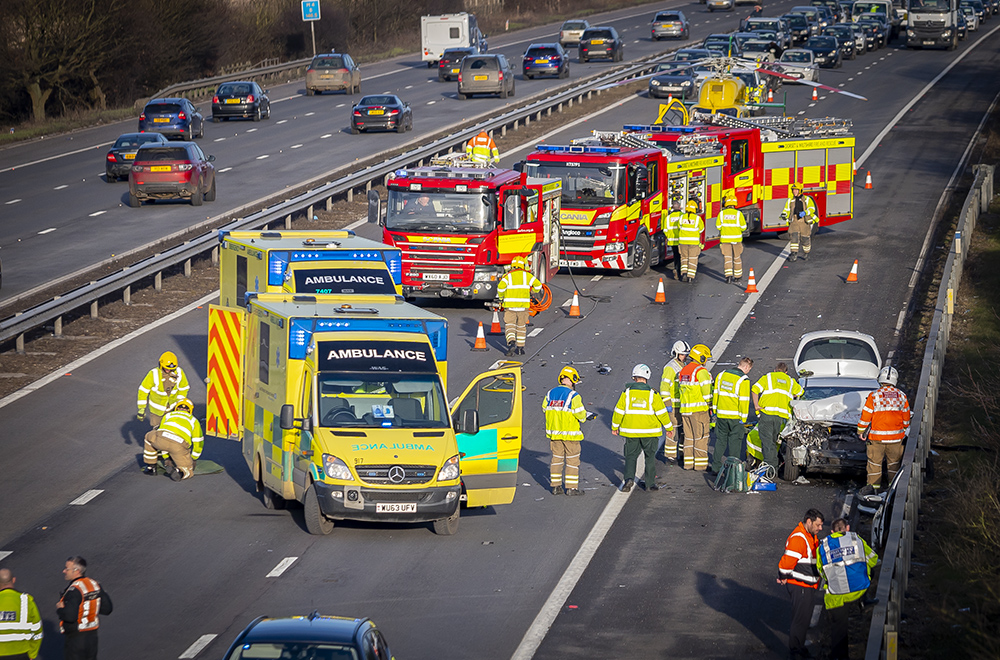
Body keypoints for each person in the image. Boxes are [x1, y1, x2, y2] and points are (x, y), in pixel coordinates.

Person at [817, 518, 879, 660]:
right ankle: (863, 602)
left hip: (836, 594)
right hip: (858, 589)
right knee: (869, 571)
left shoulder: (823, 546)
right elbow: (873, 559)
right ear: (847, 528)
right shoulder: (855, 539)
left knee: (839, 627)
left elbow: (821, 571)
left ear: (832, 532)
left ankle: (839, 657)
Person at [612, 364, 673, 492]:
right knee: (649, 457)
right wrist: (669, 428)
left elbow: (618, 411)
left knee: (630, 456)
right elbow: (662, 413)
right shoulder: (653, 394)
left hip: (631, 432)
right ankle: (650, 484)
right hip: (650, 433)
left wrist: (615, 426)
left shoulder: (627, 393)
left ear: (634, 377)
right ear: (647, 377)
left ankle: (628, 480)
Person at [857, 366, 911, 498]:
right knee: (894, 465)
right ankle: (892, 493)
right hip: (896, 439)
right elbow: (906, 417)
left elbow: (866, 416)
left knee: (874, 465)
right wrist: (903, 430)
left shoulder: (874, 396)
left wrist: (861, 431)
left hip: (876, 439)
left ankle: (873, 492)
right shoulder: (902, 396)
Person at [778, 509, 824, 660]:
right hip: (801, 585)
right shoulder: (799, 538)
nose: (820, 528)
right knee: (800, 619)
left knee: (804, 619)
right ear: (809, 522)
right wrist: (783, 575)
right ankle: (796, 651)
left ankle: (799, 647)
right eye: (818, 525)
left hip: (806, 586)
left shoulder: (809, 535)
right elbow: (785, 564)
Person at [544, 366, 596, 496]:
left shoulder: (550, 393)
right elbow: (580, 414)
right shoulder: (574, 395)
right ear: (572, 379)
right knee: (572, 461)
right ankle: (571, 488)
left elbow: (545, 408)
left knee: (556, 459)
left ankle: (556, 487)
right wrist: (586, 416)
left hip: (555, 435)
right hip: (570, 435)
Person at [751, 362, 803, 473]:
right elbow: (800, 392)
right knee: (774, 442)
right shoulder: (790, 381)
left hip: (767, 415)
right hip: (782, 418)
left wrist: (756, 406)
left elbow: (755, 389)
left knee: (767, 443)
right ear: (786, 372)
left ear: (775, 370)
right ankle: (773, 466)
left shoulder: (769, 377)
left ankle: (771, 470)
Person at [57, 557, 112, 660]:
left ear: (76, 571)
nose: (64, 571)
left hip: (76, 638)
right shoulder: (94, 584)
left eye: (67, 569)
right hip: (92, 637)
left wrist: (60, 609)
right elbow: (107, 609)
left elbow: (70, 616)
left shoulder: (74, 589)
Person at [142, 398, 204, 480]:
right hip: (178, 445)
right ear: (190, 410)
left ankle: (151, 467)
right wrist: (193, 458)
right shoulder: (193, 420)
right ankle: (180, 472)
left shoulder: (168, 415)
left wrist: (166, 457)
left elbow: (164, 436)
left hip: (161, 439)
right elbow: (198, 442)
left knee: (149, 437)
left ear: (176, 408)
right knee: (188, 471)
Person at [711, 356, 753, 474]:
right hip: (735, 417)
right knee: (735, 443)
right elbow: (744, 400)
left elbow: (716, 393)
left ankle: (715, 467)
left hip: (721, 415)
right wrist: (743, 419)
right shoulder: (743, 379)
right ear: (746, 367)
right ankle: (733, 469)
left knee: (720, 441)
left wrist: (715, 411)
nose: (748, 372)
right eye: (749, 369)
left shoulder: (722, 375)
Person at [496, 256, 542, 357]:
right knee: (521, 327)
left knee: (510, 326)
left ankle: (511, 341)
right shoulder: (527, 276)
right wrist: (532, 292)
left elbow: (500, 287)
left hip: (510, 306)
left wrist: (501, 297)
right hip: (523, 307)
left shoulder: (508, 276)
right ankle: (520, 348)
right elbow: (538, 285)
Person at [678, 344, 713, 471]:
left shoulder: (683, 371)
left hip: (685, 411)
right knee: (701, 437)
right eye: (706, 358)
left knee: (689, 437)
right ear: (701, 357)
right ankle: (700, 465)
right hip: (699, 411)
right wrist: (711, 404)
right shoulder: (701, 372)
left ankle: (688, 463)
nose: (707, 361)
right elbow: (707, 393)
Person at [136, 351, 190, 428]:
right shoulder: (153, 374)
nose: (168, 370)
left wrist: (179, 403)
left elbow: (184, 388)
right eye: (166, 368)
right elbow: (143, 390)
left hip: (172, 409)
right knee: (157, 432)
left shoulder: (179, 373)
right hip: (157, 412)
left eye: (171, 369)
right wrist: (141, 408)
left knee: (172, 430)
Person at [658, 340, 690, 462]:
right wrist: (667, 404)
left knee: (683, 430)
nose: (684, 356)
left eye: (685, 354)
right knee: (673, 430)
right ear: (676, 353)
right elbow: (664, 388)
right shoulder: (670, 368)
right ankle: (670, 455)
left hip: (682, 404)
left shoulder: (684, 366)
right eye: (682, 354)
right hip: (673, 405)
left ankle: (681, 453)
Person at [0, 568, 42, 660]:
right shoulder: (26, 600)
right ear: (14, 580)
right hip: (21, 653)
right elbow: (38, 630)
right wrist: (32, 653)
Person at [717, 192, 748, 285]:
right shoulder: (739, 214)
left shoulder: (722, 214)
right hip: (736, 240)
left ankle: (728, 277)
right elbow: (743, 227)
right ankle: (737, 277)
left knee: (728, 258)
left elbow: (718, 226)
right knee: (737, 258)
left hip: (725, 240)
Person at [781, 185, 818, 262]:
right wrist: (784, 215)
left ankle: (806, 253)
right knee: (794, 237)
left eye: (796, 190)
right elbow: (786, 210)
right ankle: (794, 254)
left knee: (805, 238)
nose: (794, 191)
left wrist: (805, 212)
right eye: (793, 190)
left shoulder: (807, 199)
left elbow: (812, 208)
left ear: (800, 190)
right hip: (794, 221)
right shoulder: (790, 200)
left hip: (804, 221)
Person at [677, 200, 704, 282]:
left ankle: (684, 273)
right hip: (694, 243)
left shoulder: (682, 217)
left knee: (684, 258)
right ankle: (690, 277)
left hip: (682, 242)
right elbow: (701, 229)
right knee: (692, 259)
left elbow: (679, 227)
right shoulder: (697, 218)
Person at [664, 197, 684, 281]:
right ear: (679, 207)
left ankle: (676, 270)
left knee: (676, 256)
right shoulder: (682, 216)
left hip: (672, 241)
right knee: (682, 257)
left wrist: (668, 237)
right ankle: (681, 272)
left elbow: (665, 230)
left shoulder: (668, 218)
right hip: (681, 240)